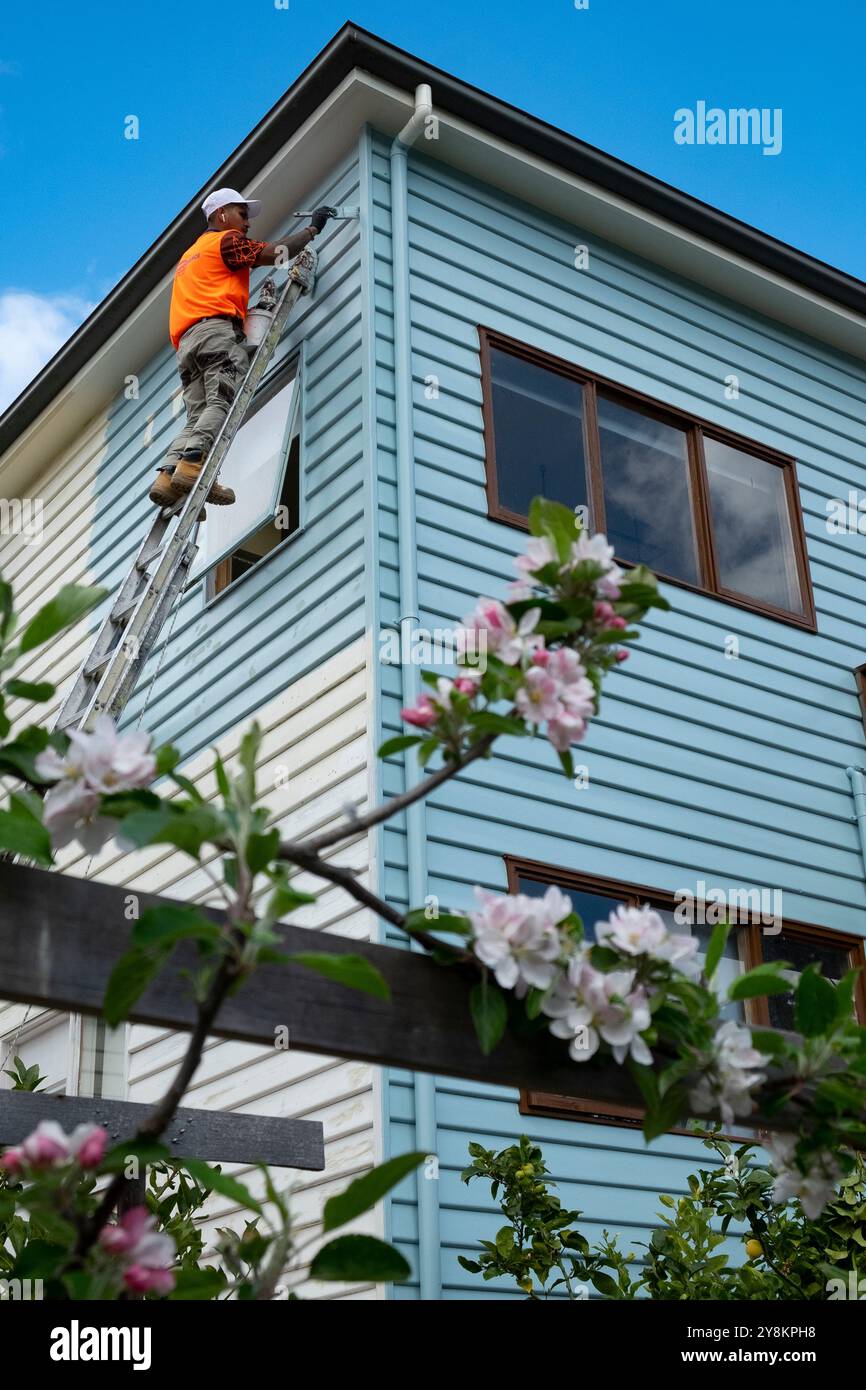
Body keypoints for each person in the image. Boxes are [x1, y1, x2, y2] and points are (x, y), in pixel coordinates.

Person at [149, 188, 332, 508]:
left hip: (187, 345)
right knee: (222, 401)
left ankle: (168, 476)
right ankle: (193, 465)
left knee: (197, 416)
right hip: (215, 335)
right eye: (242, 214)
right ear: (221, 215)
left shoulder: (190, 255)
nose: (246, 223)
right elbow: (274, 253)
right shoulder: (225, 241)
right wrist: (312, 230)